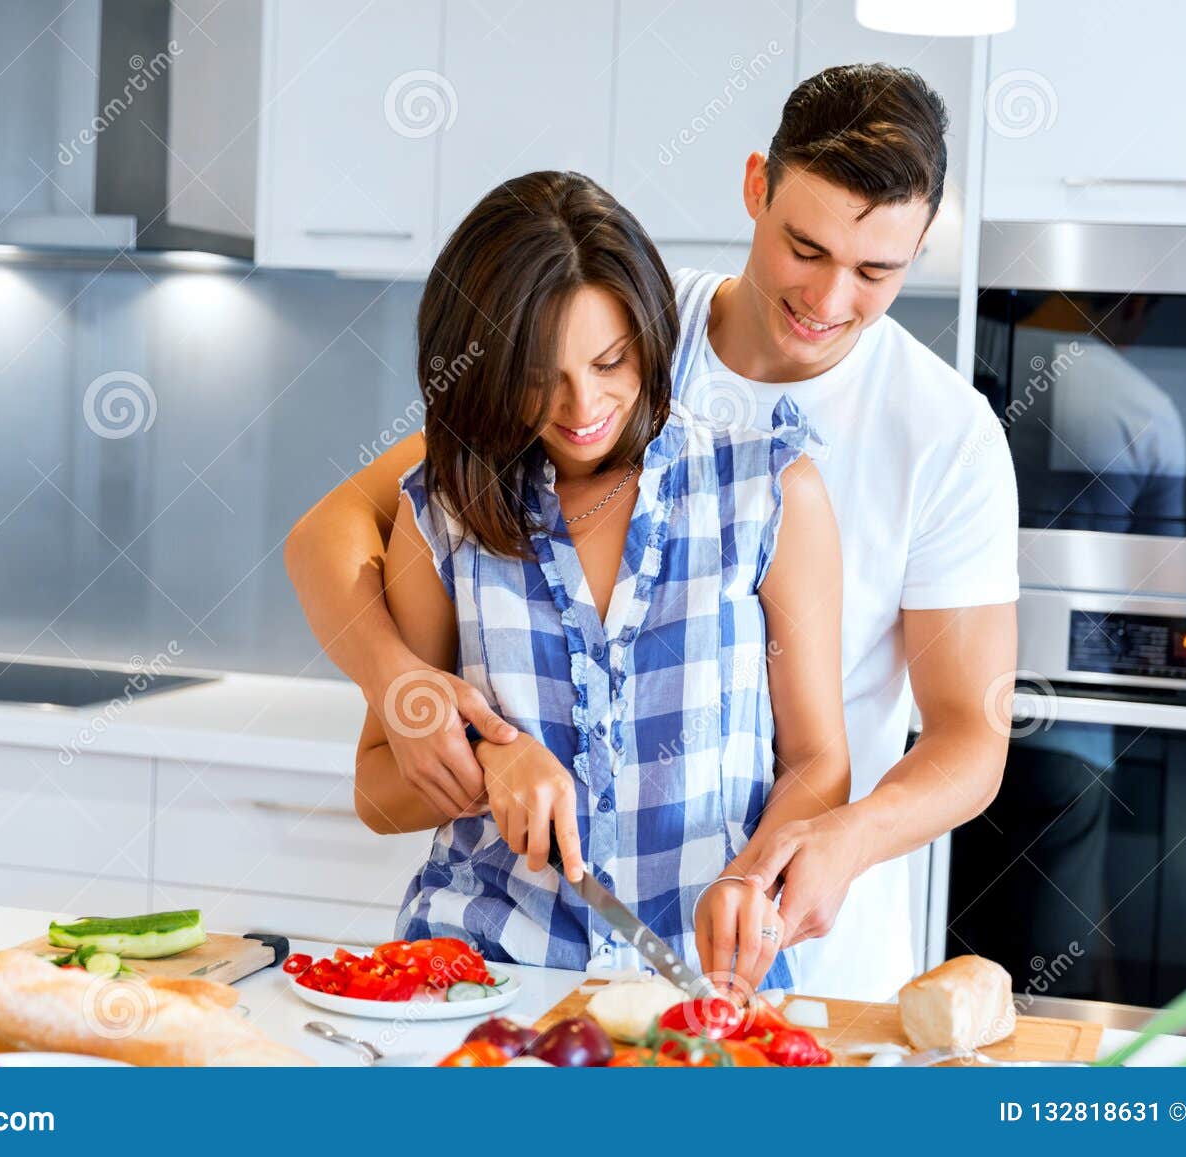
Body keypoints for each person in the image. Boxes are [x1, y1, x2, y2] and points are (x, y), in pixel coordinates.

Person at [288, 65, 1018, 1000]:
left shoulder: (935, 436)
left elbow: (966, 736)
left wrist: (836, 838)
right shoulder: (612, 312)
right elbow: (347, 524)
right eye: (806, 247)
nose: (831, 298)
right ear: (756, 187)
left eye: (878, 271)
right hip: (497, 973)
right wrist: (411, 695)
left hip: (786, 936)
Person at [353, 170, 849, 990]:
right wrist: (488, 768)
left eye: (611, 360)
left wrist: (752, 877)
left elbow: (819, 762)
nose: (583, 406)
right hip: (478, 985)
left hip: (702, 993)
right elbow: (376, 788)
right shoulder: (444, 511)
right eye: (538, 376)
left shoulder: (764, 491)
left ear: (649, 335)